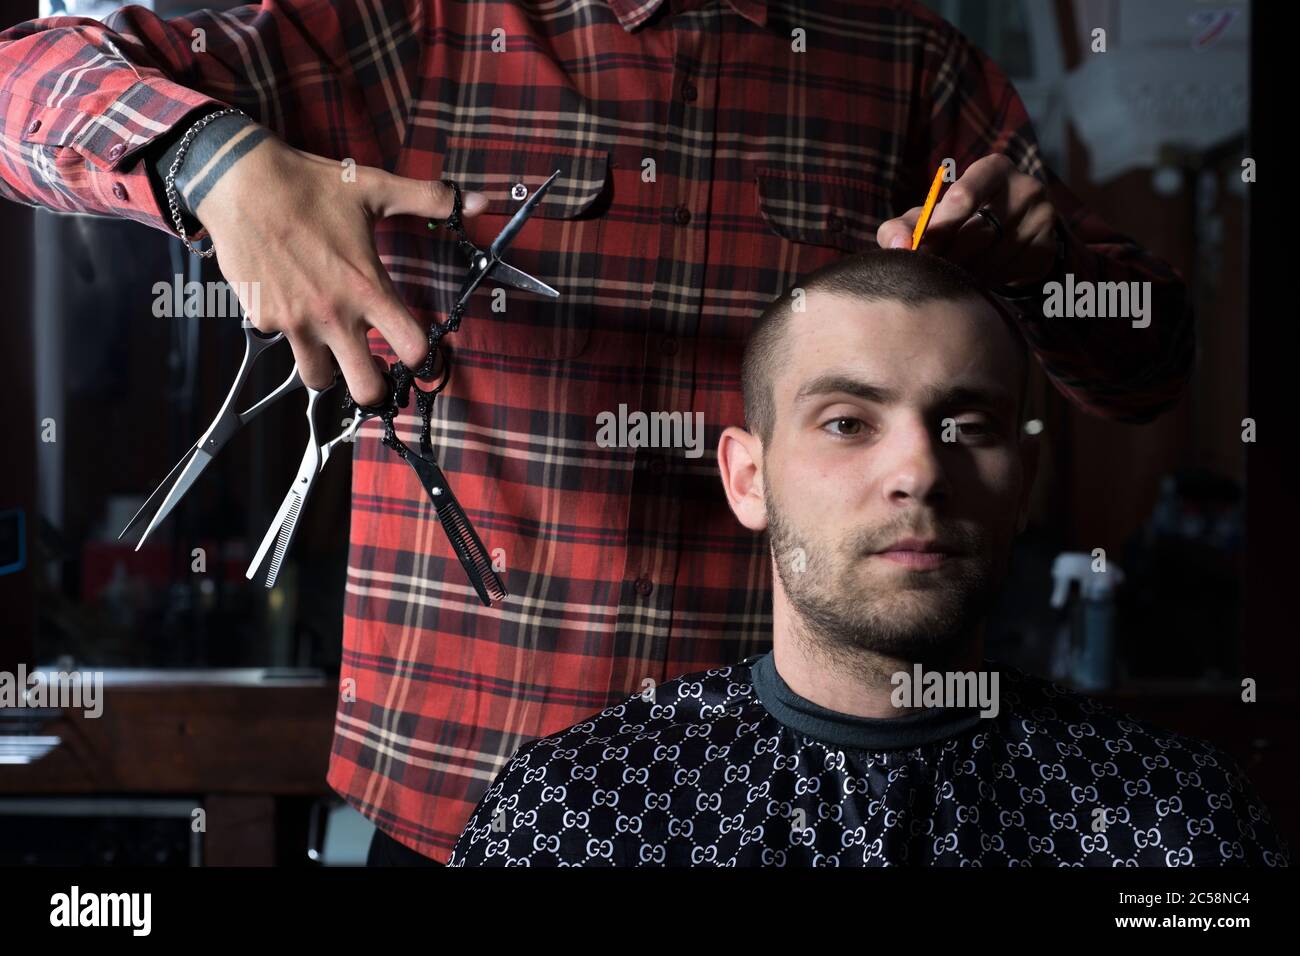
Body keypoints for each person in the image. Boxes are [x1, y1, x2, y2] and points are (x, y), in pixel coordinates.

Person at [0, 0, 1194, 864]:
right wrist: (214, 160)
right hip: (453, 813)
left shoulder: (905, 60)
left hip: (793, 817)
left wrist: (1045, 272)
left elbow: (1147, 365)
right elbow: (24, 78)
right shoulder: (411, 27)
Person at [449, 249, 1285, 867]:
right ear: (748, 480)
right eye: (848, 422)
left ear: (1021, 483)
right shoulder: (571, 816)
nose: (920, 471)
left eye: (968, 427)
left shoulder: (1175, 824)